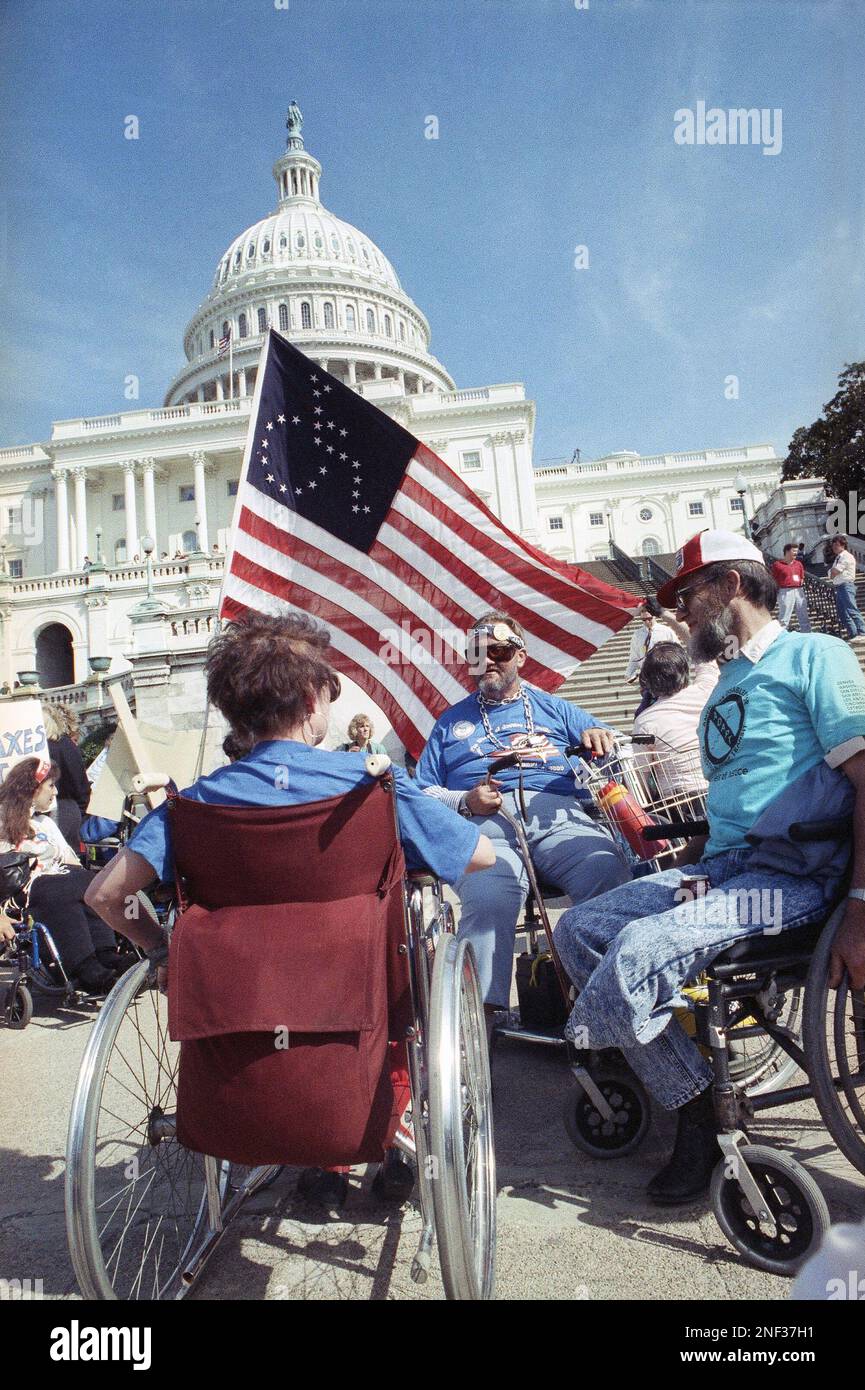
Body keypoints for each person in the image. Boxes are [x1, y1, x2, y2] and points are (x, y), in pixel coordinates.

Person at [84, 612, 494, 1207]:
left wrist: (162, 948)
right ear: (310, 699)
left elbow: (104, 895)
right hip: (360, 991)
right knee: (400, 962)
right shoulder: (370, 787)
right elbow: (478, 856)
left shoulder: (190, 807)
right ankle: (379, 1131)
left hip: (237, 1003)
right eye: (330, 688)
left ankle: (302, 1152)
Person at [553, 528, 865, 1205]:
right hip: (724, 868)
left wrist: (861, 909)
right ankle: (693, 1096)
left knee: (638, 951)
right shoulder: (725, 686)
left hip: (793, 879)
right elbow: (731, 804)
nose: (679, 611)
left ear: (728, 586)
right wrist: (676, 876)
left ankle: (684, 1107)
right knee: (578, 928)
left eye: (687, 593)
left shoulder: (816, 654)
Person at [414, 611, 631, 1016]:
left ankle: (610, 998)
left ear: (521, 656)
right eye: (478, 653)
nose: (489, 660)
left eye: (499, 650)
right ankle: (484, 1021)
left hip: (559, 818)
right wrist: (465, 800)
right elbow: (423, 792)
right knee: (490, 896)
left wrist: (603, 740)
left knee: (607, 874)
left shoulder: (557, 710)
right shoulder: (449, 723)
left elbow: (614, 750)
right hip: (487, 827)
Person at [0, 758, 128, 994]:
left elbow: (70, 861)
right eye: (50, 785)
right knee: (61, 886)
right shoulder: (2, 825)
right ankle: (84, 966)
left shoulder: (45, 823)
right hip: (22, 893)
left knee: (87, 880)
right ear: (33, 788)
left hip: (56, 882)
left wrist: (85, 878)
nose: (56, 791)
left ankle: (107, 955)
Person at [632, 644, 718, 807]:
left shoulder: (644, 721)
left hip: (677, 803)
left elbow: (640, 776)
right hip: (718, 787)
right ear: (685, 670)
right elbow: (706, 658)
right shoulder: (706, 691)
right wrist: (673, 619)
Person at [42, 702, 91, 850]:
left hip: (59, 811)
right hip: (67, 810)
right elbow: (80, 785)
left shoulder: (57, 747)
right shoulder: (66, 746)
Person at [624, 597, 685, 685]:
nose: (647, 622)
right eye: (644, 620)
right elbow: (634, 657)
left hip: (665, 675)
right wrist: (628, 673)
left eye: (649, 618)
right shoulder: (637, 635)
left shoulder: (666, 631)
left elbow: (679, 651)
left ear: (654, 616)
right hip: (647, 678)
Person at [828, 535, 865, 641]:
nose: (834, 547)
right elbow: (831, 573)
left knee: (851, 610)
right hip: (839, 587)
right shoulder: (838, 558)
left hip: (846, 586)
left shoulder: (846, 556)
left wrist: (832, 572)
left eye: (837, 545)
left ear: (843, 545)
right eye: (833, 545)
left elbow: (835, 571)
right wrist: (832, 572)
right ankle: (853, 634)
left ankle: (862, 632)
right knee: (842, 613)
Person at [771, 542, 811, 632]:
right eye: (794, 551)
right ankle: (781, 635)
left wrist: (801, 581)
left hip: (798, 590)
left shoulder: (798, 564)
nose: (796, 553)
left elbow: (802, 576)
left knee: (803, 615)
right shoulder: (777, 565)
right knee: (784, 616)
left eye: (797, 551)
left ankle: (807, 633)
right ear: (787, 551)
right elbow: (773, 579)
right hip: (785, 591)